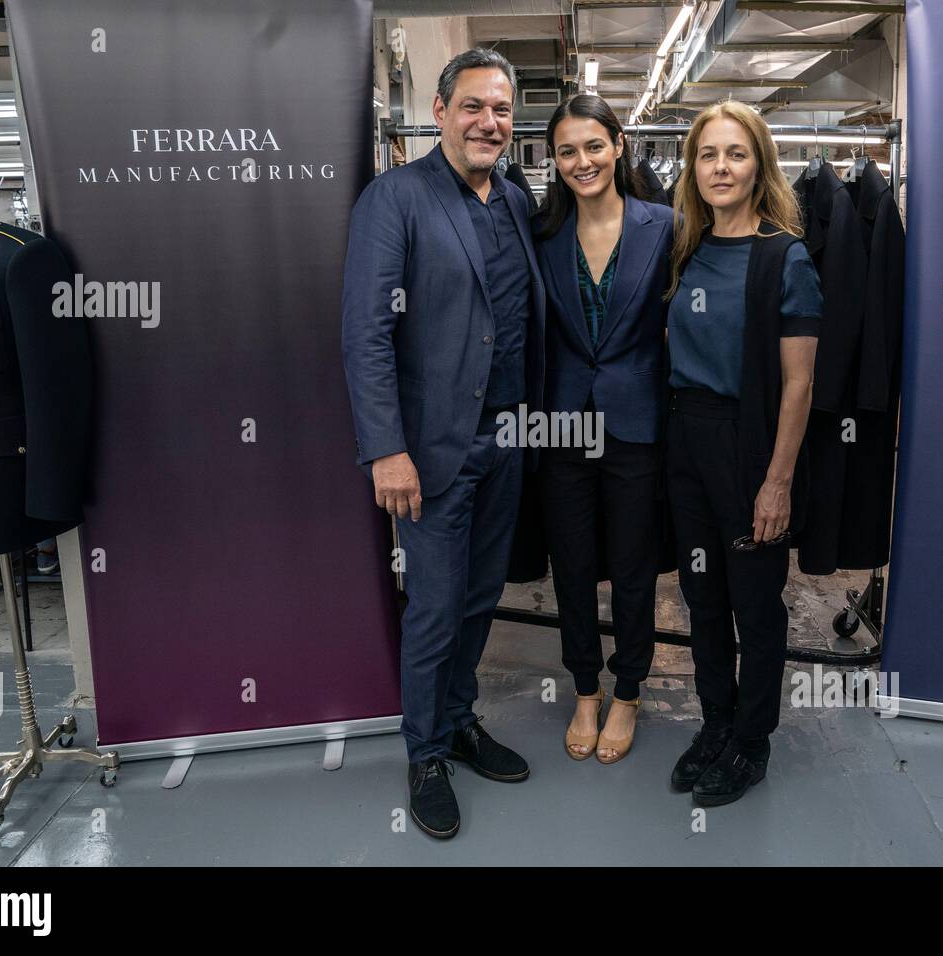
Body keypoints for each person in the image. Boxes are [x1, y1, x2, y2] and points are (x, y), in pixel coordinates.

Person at [341, 48, 545, 840]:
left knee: (481, 595)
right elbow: (366, 335)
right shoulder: (395, 198)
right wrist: (386, 449)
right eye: (473, 106)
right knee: (433, 608)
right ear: (440, 109)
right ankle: (425, 751)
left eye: (501, 109)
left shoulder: (518, 201)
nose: (488, 122)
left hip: (507, 437)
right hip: (430, 452)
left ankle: (459, 720)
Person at [663, 101, 820, 807]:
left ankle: (752, 741)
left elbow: (799, 383)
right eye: (707, 155)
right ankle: (716, 722)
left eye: (735, 153)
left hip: (747, 443)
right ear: (692, 168)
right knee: (701, 597)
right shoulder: (686, 247)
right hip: (685, 439)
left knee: (755, 605)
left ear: (760, 165)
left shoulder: (784, 258)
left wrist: (776, 482)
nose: (720, 167)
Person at [531, 95, 671, 764]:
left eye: (593, 145)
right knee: (573, 568)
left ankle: (629, 690)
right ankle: (585, 687)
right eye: (566, 151)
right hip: (562, 428)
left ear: (619, 145)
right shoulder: (542, 235)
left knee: (636, 571)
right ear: (553, 161)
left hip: (637, 424)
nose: (580, 161)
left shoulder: (666, 226)